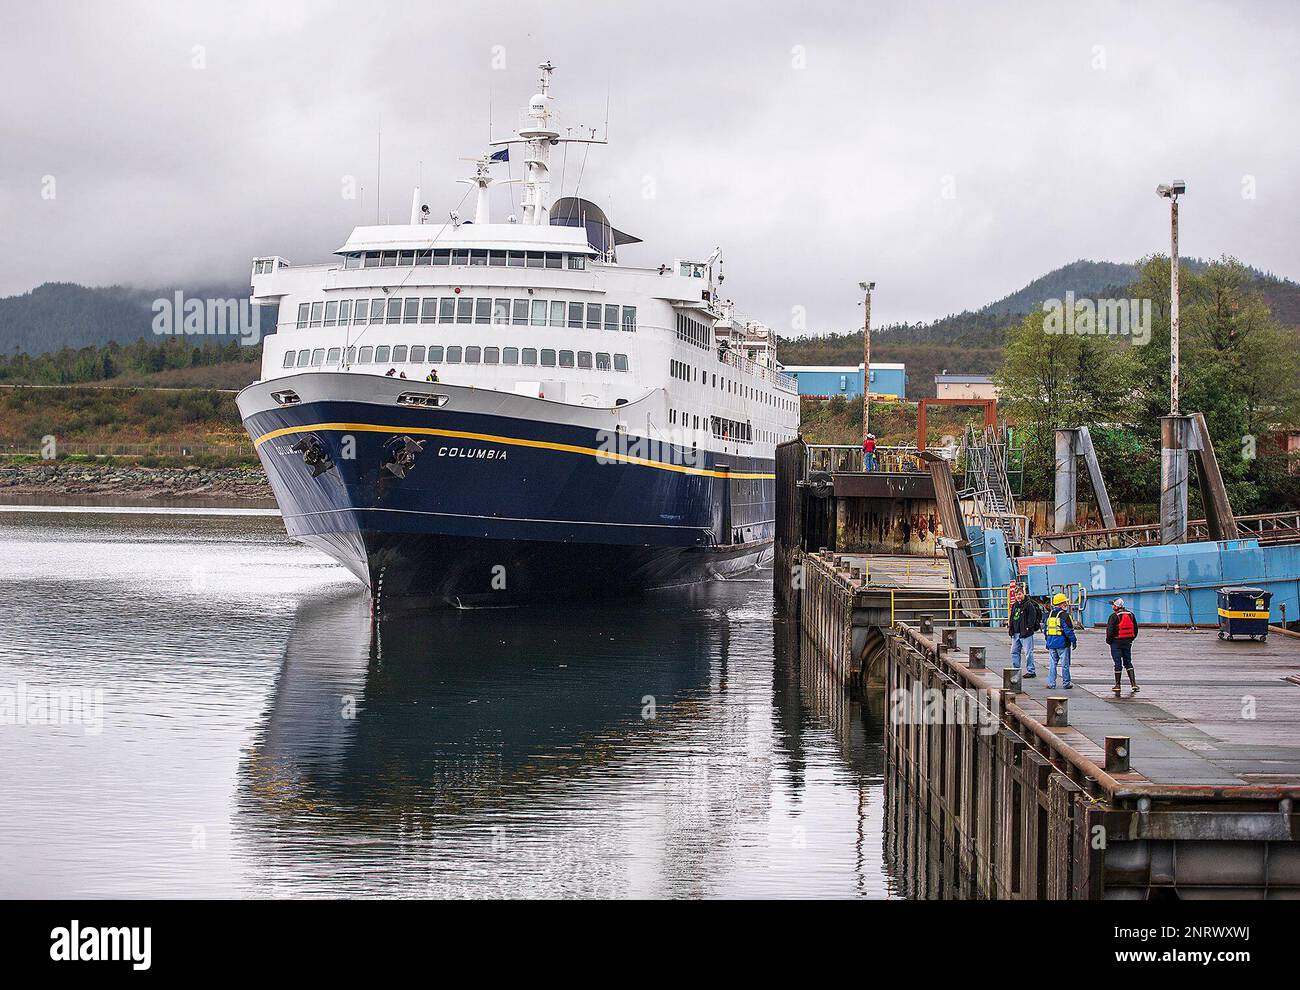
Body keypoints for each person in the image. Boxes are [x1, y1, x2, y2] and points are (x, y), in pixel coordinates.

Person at [1105, 598, 1140, 697]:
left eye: (1113, 605)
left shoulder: (1113, 616)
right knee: (1128, 662)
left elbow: (1110, 631)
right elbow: (1135, 629)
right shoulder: (1131, 615)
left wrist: (1109, 641)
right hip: (1127, 642)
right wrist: (1131, 639)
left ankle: (1117, 685)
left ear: (1116, 606)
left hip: (1116, 642)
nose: (1112, 606)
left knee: (1117, 663)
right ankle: (1133, 684)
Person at [1007, 582, 1041, 679]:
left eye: (1020, 594)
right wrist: (1011, 628)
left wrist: (1028, 628)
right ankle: (1015, 670)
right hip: (1016, 633)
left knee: (1028, 653)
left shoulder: (1029, 605)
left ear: (1023, 594)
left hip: (1025, 633)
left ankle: (1031, 671)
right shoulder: (1015, 605)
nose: (1018, 597)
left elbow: (1032, 617)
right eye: (1017, 595)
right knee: (1014, 652)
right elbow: (1012, 617)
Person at [1044, 592, 1077, 689]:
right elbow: (1068, 631)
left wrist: (1047, 642)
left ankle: (1051, 684)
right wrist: (1073, 641)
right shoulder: (1065, 616)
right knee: (1065, 665)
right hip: (1063, 644)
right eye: (1064, 603)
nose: (1066, 604)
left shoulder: (1049, 615)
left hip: (1051, 644)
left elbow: (1046, 631)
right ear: (1060, 604)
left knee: (1052, 665)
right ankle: (1066, 684)